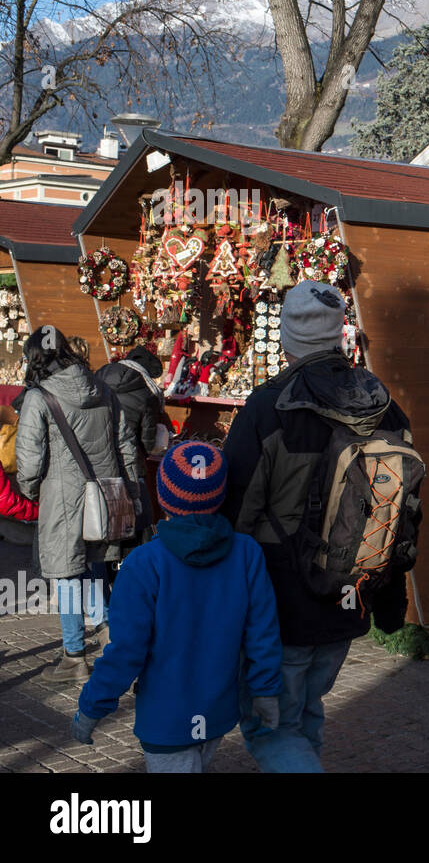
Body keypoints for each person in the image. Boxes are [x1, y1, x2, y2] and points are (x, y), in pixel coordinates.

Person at [222, 280, 414, 773]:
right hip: (352, 591)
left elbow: (234, 515)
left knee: (272, 727)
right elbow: (405, 508)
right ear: (339, 334)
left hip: (280, 602)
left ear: (286, 338)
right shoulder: (384, 407)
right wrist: (391, 598)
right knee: (307, 711)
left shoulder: (268, 408)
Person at [70, 441, 283, 772]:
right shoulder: (246, 553)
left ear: (163, 497)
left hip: (166, 717)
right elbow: (263, 632)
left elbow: (126, 651)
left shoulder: (143, 563)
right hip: (217, 711)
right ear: (220, 494)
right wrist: (266, 691)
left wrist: (91, 707)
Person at [16, 326, 138, 684]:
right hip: (105, 495)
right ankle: (108, 631)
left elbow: (29, 459)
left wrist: (30, 491)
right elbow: (125, 445)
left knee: (67, 574)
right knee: (92, 567)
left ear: (36, 358)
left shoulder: (39, 397)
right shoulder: (103, 389)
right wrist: (130, 492)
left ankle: (73, 656)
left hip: (62, 498)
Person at [96, 345, 168, 546]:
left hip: (95, 461)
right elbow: (148, 442)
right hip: (131, 465)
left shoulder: (98, 377)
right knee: (140, 522)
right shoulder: (147, 394)